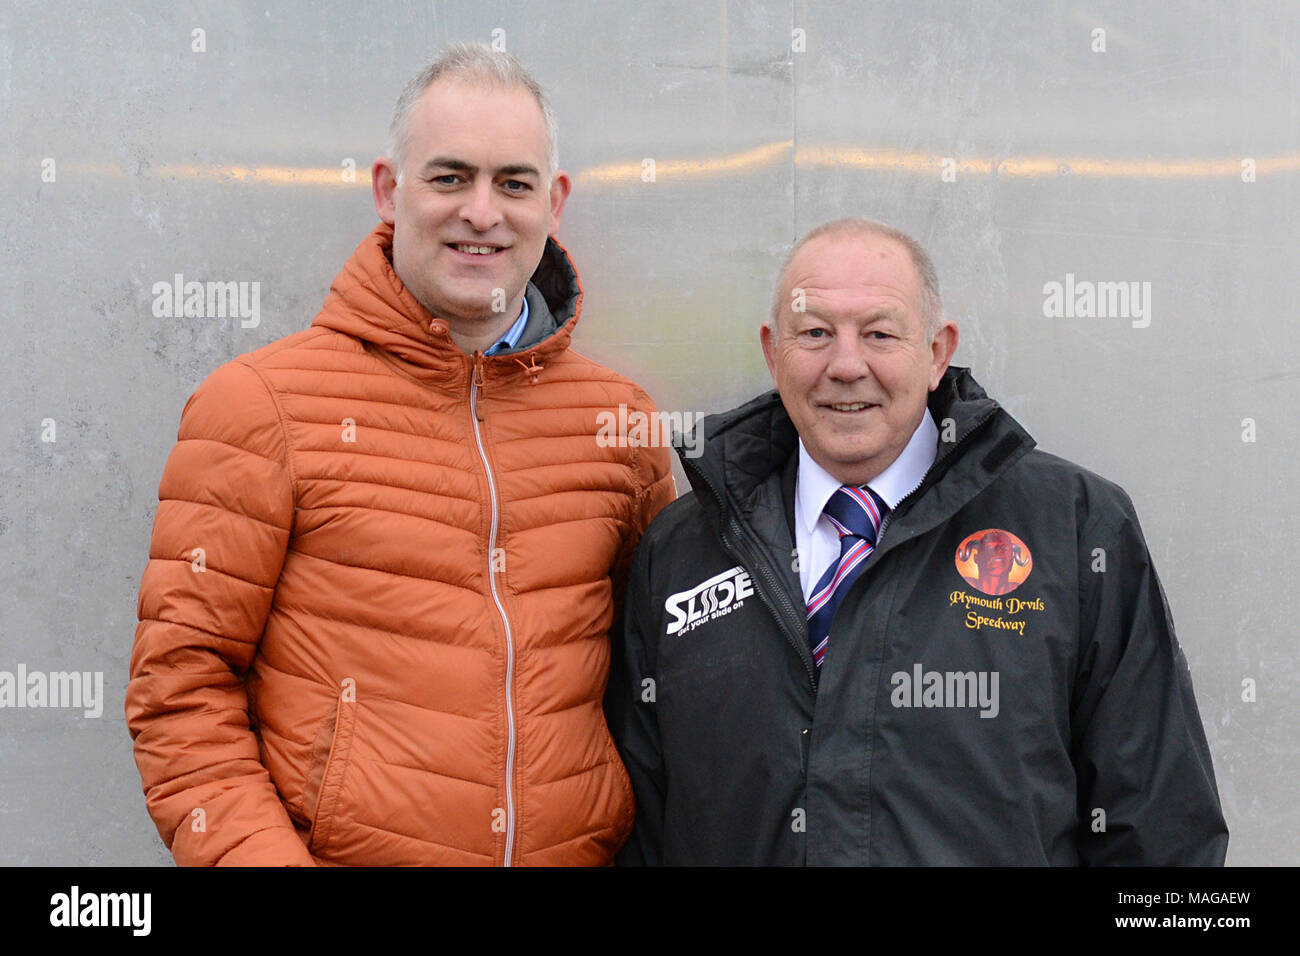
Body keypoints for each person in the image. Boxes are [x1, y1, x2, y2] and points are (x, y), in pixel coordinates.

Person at [126, 43, 674, 866]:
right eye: (449, 178)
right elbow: (181, 692)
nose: (482, 212)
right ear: (389, 190)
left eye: (513, 183)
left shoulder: (619, 421)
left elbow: (658, 684)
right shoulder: (260, 406)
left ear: (554, 202)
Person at [607, 217, 1228, 865]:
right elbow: (644, 829)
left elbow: (1161, 827)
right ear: (772, 352)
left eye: (879, 333)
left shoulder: (1076, 527)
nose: (846, 366)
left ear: (936, 352)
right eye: (815, 333)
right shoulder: (681, 551)